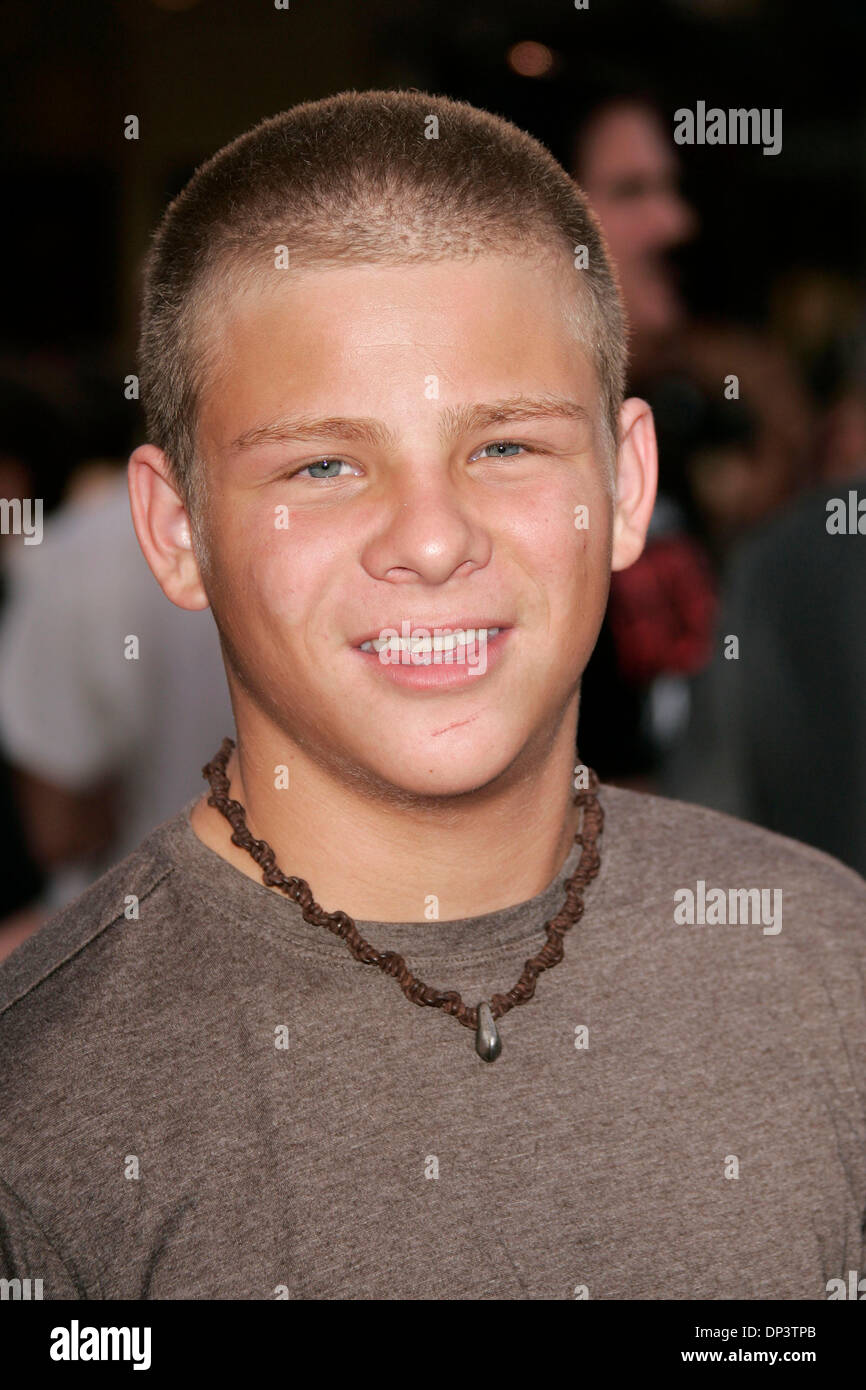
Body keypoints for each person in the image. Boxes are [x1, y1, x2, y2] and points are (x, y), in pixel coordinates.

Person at [0, 91, 863, 1301]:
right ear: (176, 527)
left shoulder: (831, 971)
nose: (429, 536)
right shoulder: (35, 1123)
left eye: (503, 446)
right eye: (323, 463)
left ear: (623, 485)